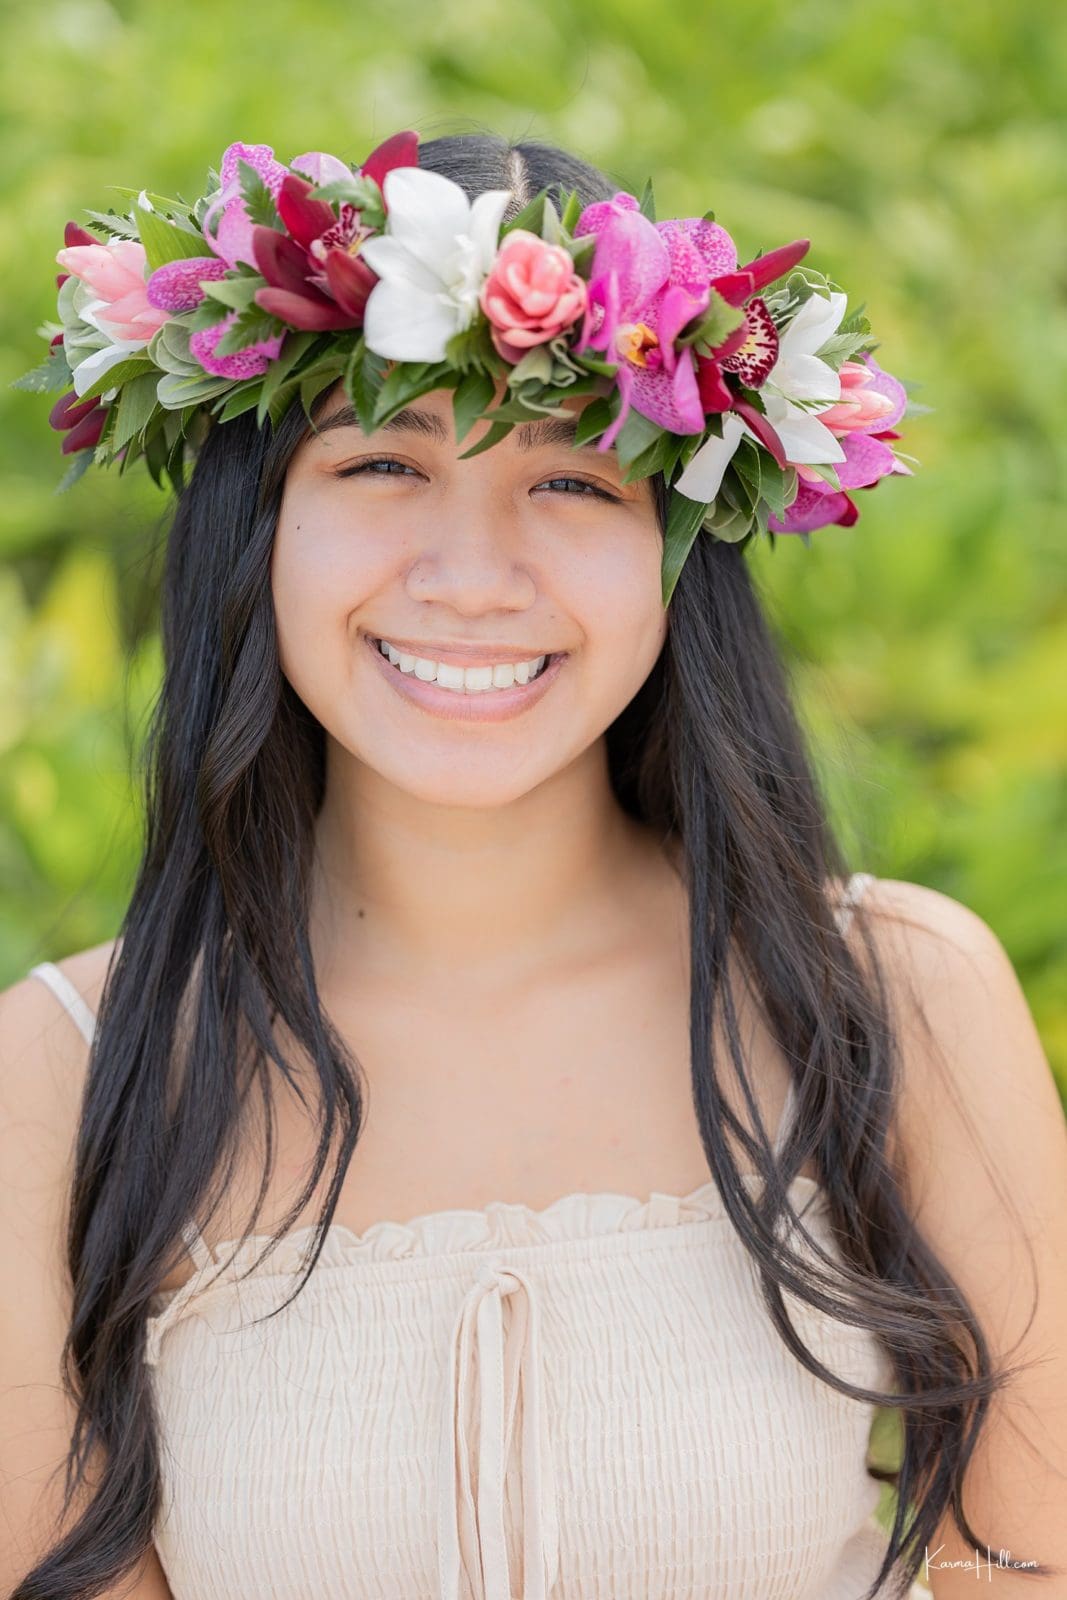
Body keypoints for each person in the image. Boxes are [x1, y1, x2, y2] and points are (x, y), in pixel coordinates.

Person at [2, 127, 1064, 1600]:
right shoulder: (65, 1072)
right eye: (382, 460)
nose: (474, 576)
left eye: (574, 482)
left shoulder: (894, 997)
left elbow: (1027, 1569)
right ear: (258, 533)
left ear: (679, 552)